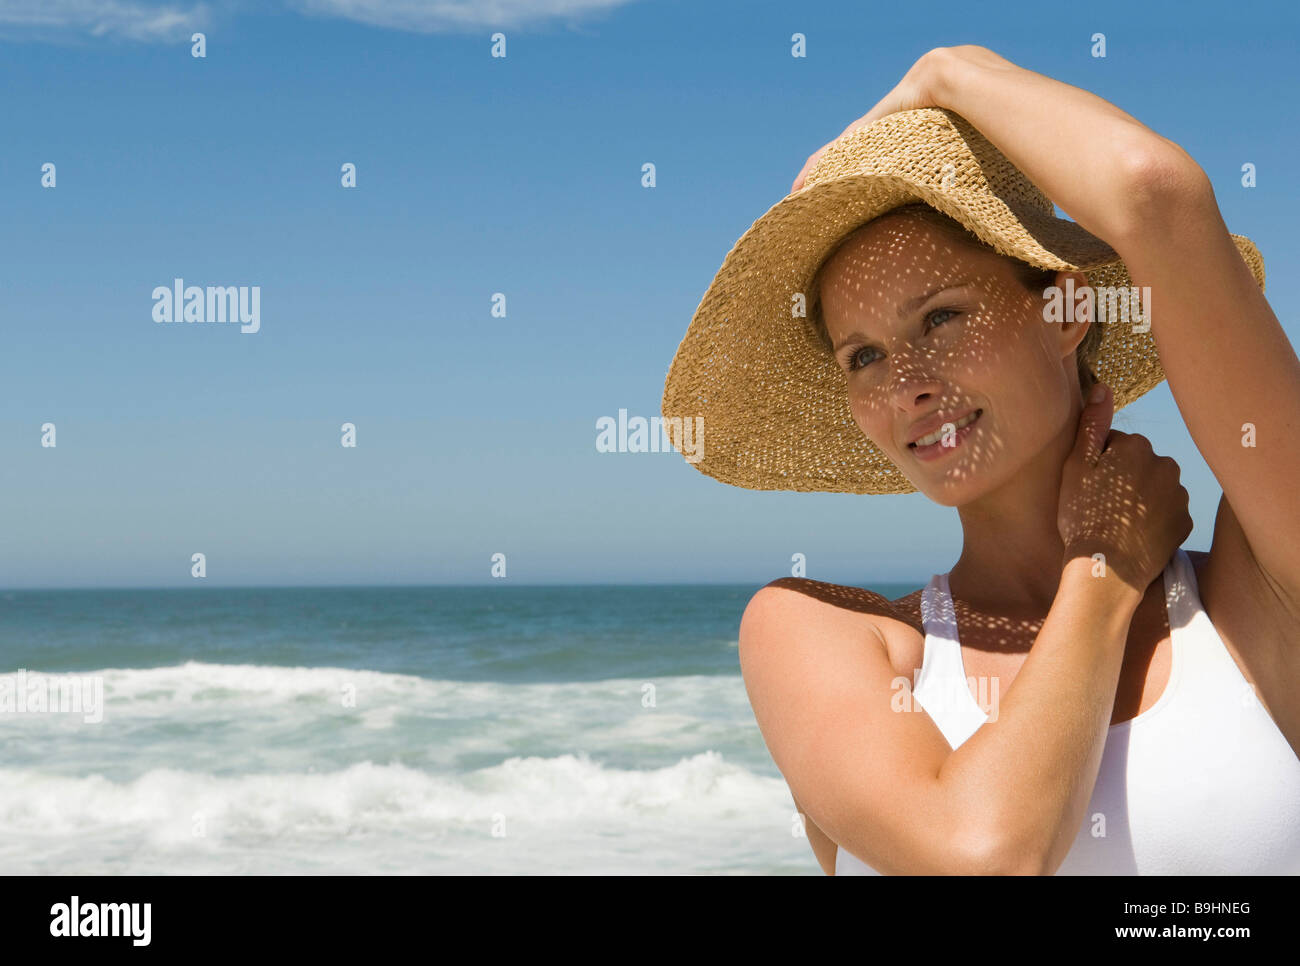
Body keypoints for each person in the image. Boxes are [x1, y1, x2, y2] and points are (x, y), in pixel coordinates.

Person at [661, 45, 1300, 874]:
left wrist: (948, 73)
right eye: (863, 357)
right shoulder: (822, 636)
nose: (907, 387)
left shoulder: (1258, 592)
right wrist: (1102, 570)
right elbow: (987, 858)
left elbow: (1156, 194)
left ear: (1069, 312)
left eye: (941, 319)